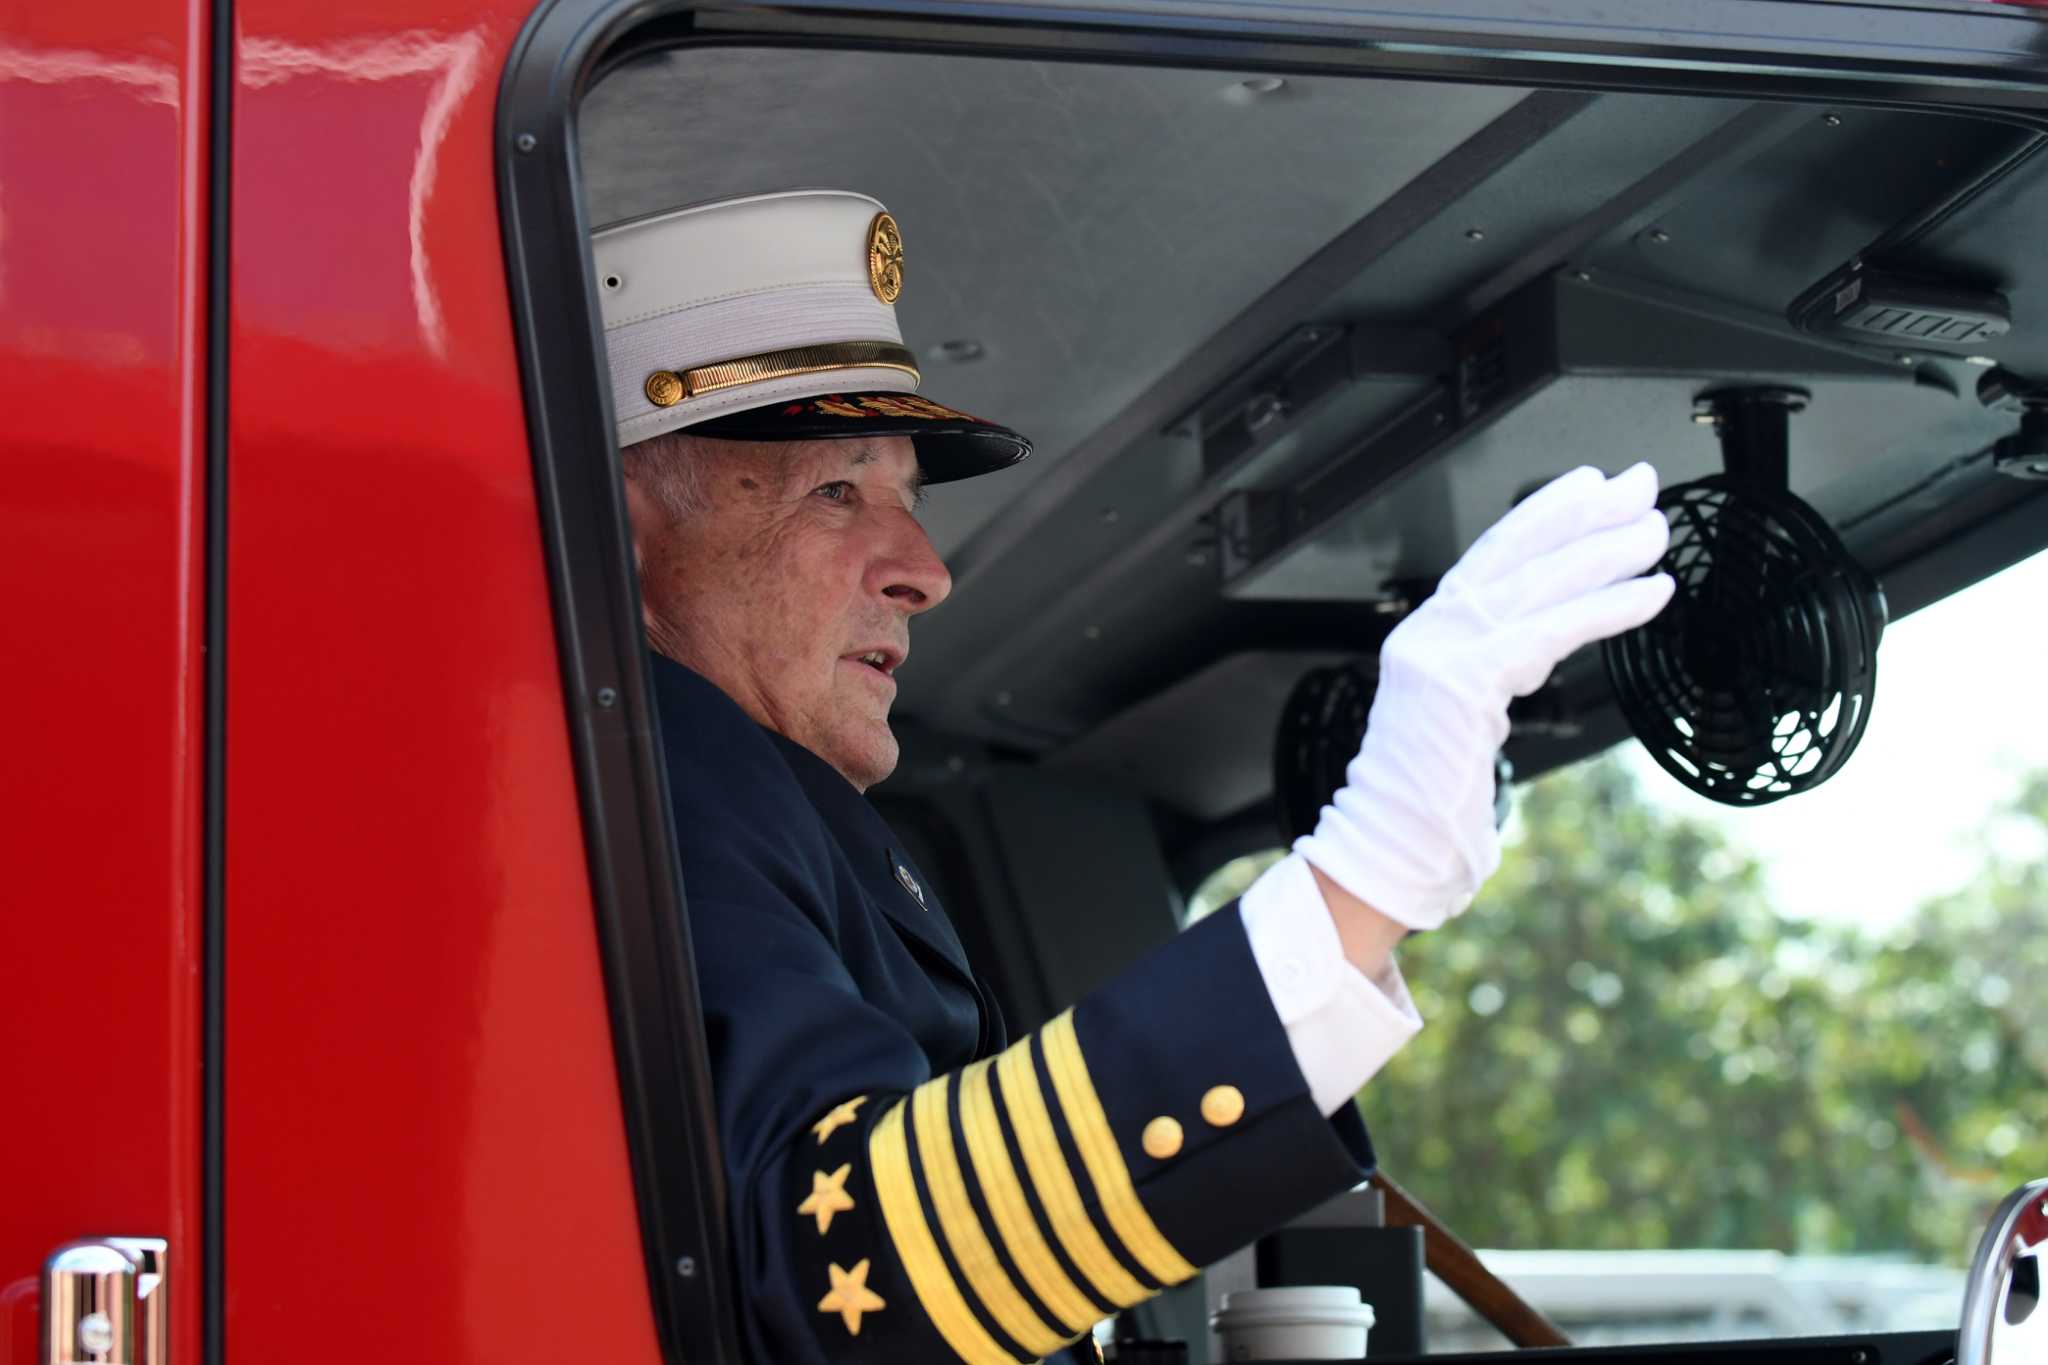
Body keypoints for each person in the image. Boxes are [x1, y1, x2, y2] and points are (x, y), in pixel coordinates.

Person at [594, 189, 1675, 1365]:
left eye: (905, 501)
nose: (923, 572)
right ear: (628, 528)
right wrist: (1358, 886)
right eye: (836, 492)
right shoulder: (665, 785)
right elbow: (837, 1266)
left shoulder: (749, 801)